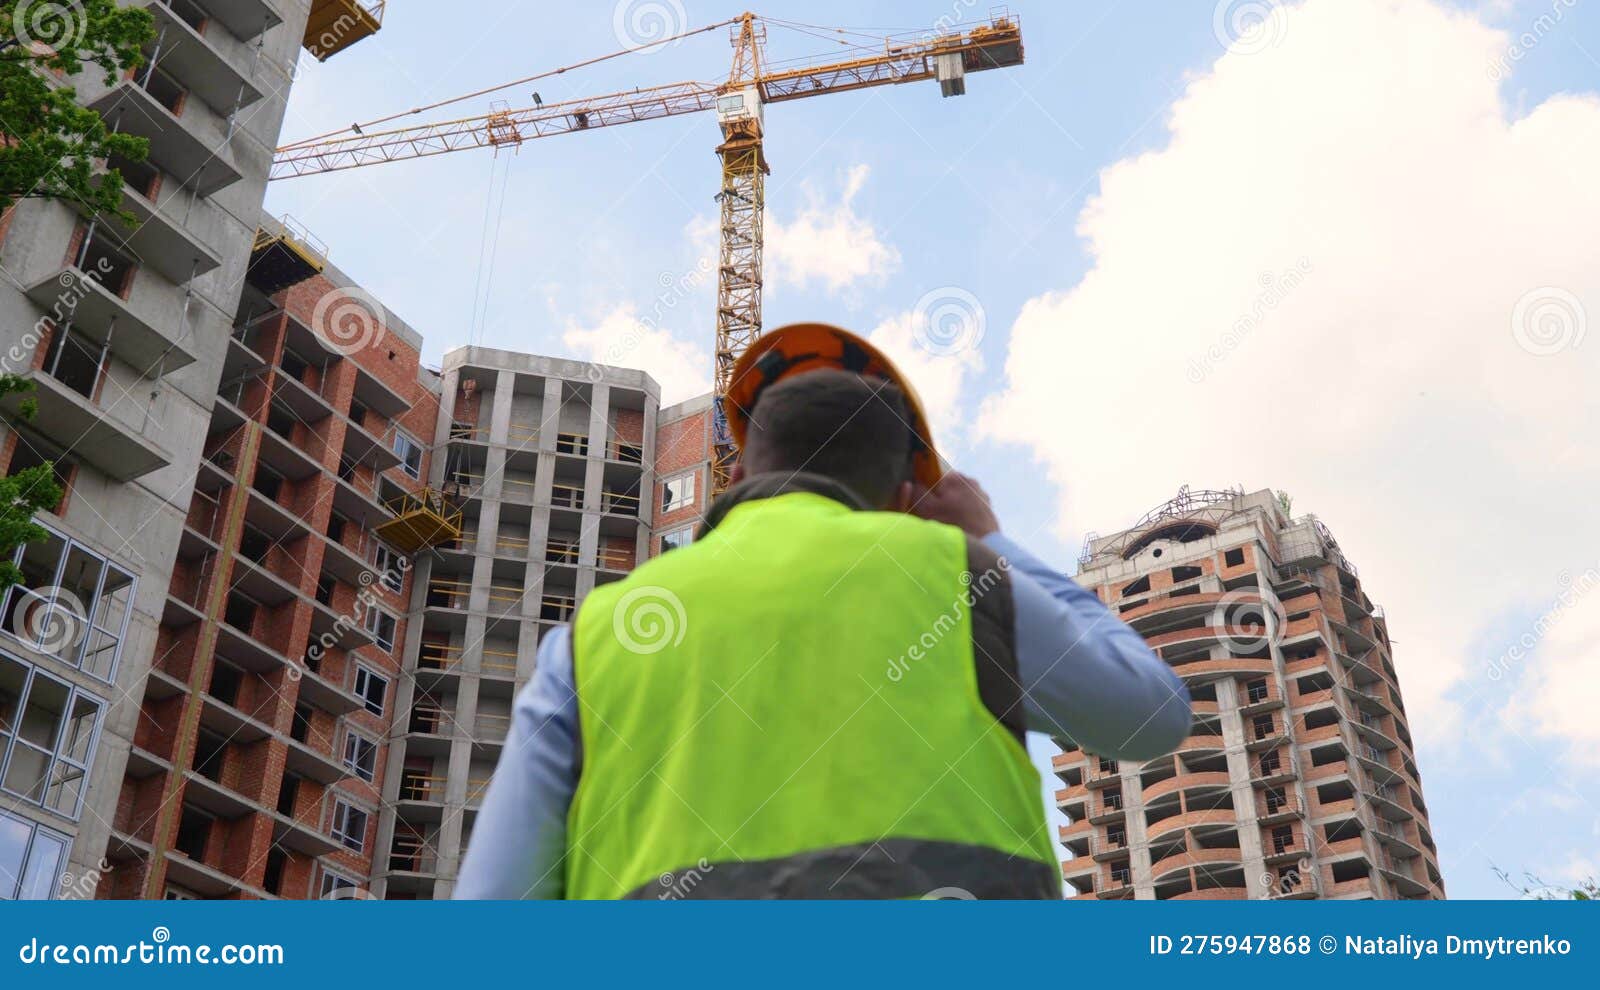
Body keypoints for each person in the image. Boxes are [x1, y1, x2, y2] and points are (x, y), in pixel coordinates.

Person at [456, 323, 1191, 899]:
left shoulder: (597, 634)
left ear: (735, 476)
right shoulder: (957, 576)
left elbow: (493, 905)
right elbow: (1150, 714)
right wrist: (989, 538)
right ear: (906, 497)